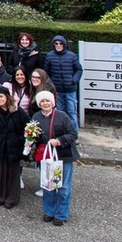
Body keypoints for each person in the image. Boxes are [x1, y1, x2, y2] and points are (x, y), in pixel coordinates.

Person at [30, 90, 79, 225]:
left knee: (63, 187)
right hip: (46, 156)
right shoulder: (36, 117)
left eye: (48, 101)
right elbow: (33, 134)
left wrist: (59, 140)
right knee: (48, 185)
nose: (45, 103)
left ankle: (61, 215)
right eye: (42, 101)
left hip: (64, 155)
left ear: (52, 102)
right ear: (39, 104)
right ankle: (49, 212)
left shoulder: (62, 116)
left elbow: (73, 134)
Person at [0, 86, 27, 208]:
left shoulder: (18, 111)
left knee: (13, 173)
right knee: (0, 173)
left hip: (14, 146)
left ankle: (12, 198)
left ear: (7, 97)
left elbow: (27, 127)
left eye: (1, 96)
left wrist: (20, 139)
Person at [45, 35, 83, 130]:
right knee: (60, 112)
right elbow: (46, 72)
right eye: (56, 43)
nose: (58, 45)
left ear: (64, 44)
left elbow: (79, 70)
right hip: (57, 90)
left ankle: (74, 133)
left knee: (72, 111)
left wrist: (74, 80)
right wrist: (51, 85)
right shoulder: (49, 56)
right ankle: (63, 132)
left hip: (70, 90)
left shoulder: (72, 56)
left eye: (60, 43)